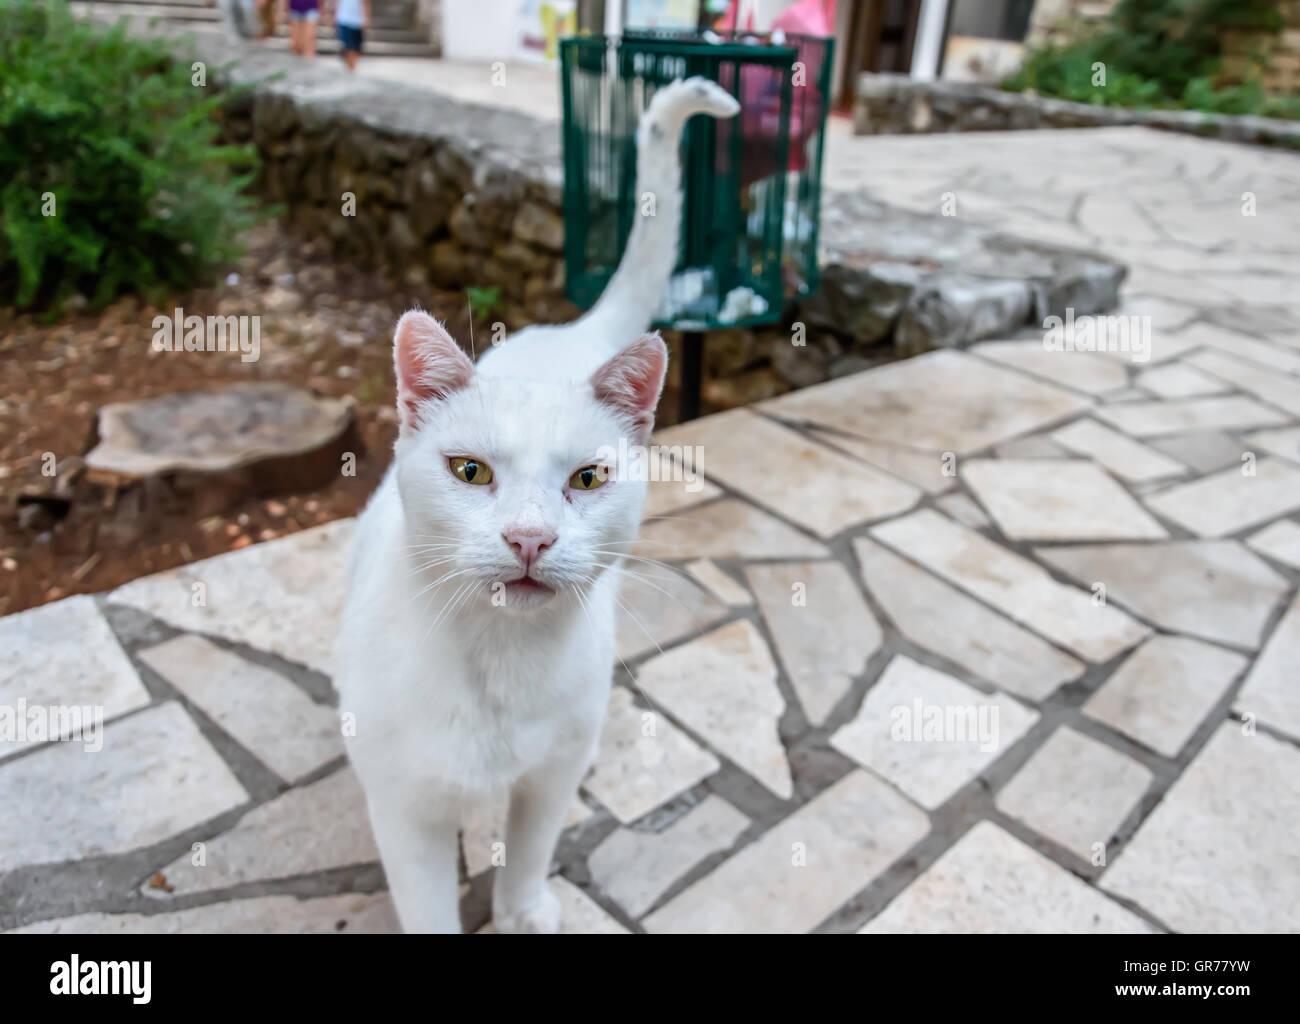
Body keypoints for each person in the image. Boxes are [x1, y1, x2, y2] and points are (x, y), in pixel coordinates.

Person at [330, 0, 369, 71]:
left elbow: (365, 3)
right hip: (343, 20)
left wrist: (365, 19)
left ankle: (352, 68)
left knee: (354, 49)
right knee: (348, 48)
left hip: (356, 22)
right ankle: (350, 68)